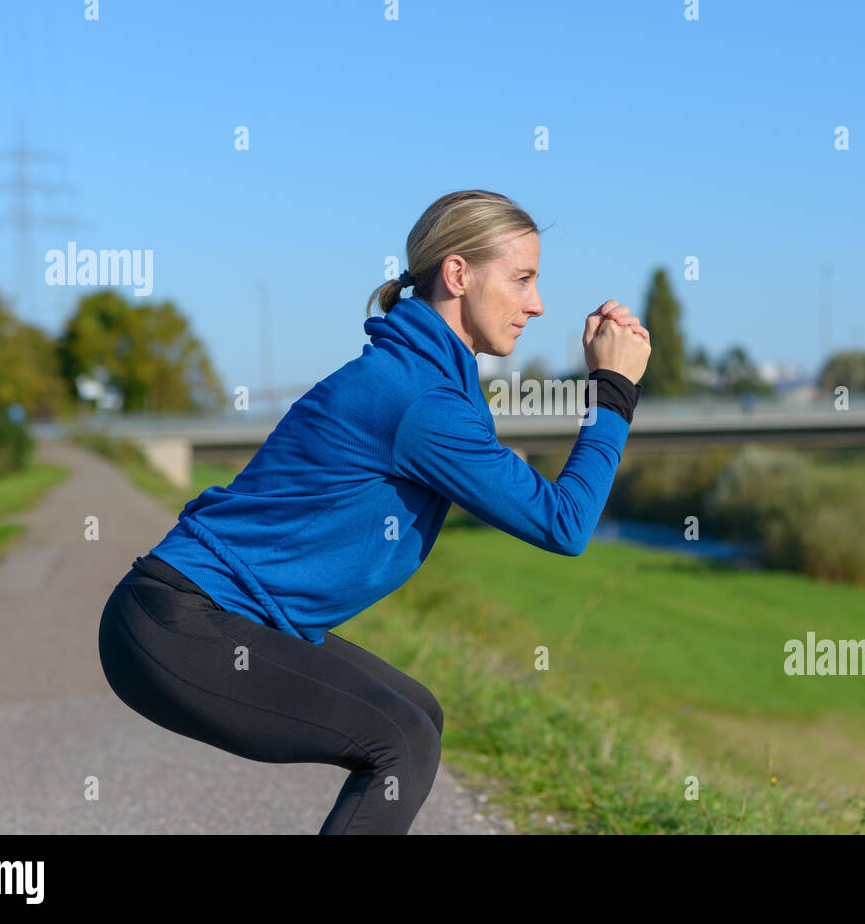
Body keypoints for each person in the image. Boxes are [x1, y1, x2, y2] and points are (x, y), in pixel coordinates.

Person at [97, 189, 651, 834]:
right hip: (177, 623)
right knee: (401, 741)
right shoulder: (419, 399)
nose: (537, 303)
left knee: (418, 714)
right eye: (522, 279)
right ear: (457, 274)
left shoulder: (425, 378)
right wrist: (613, 394)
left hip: (206, 616)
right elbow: (565, 523)